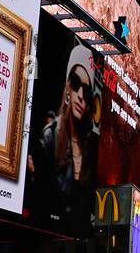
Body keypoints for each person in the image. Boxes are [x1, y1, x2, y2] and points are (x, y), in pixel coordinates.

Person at [27, 46, 101, 233]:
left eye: (86, 90)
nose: (81, 96)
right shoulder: (50, 136)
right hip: (42, 227)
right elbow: (40, 195)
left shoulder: (88, 149)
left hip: (73, 234)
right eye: (76, 84)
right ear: (68, 88)